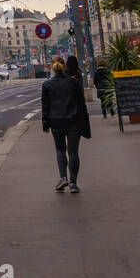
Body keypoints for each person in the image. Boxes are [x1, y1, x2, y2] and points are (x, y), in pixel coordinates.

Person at [42, 58, 90, 193]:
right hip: (74, 120)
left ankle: (63, 177)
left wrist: (45, 125)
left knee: (60, 150)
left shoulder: (47, 85)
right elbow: (81, 103)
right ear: (64, 68)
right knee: (73, 152)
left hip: (56, 121)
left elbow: (45, 107)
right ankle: (73, 183)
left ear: (52, 68)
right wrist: (84, 121)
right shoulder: (73, 82)